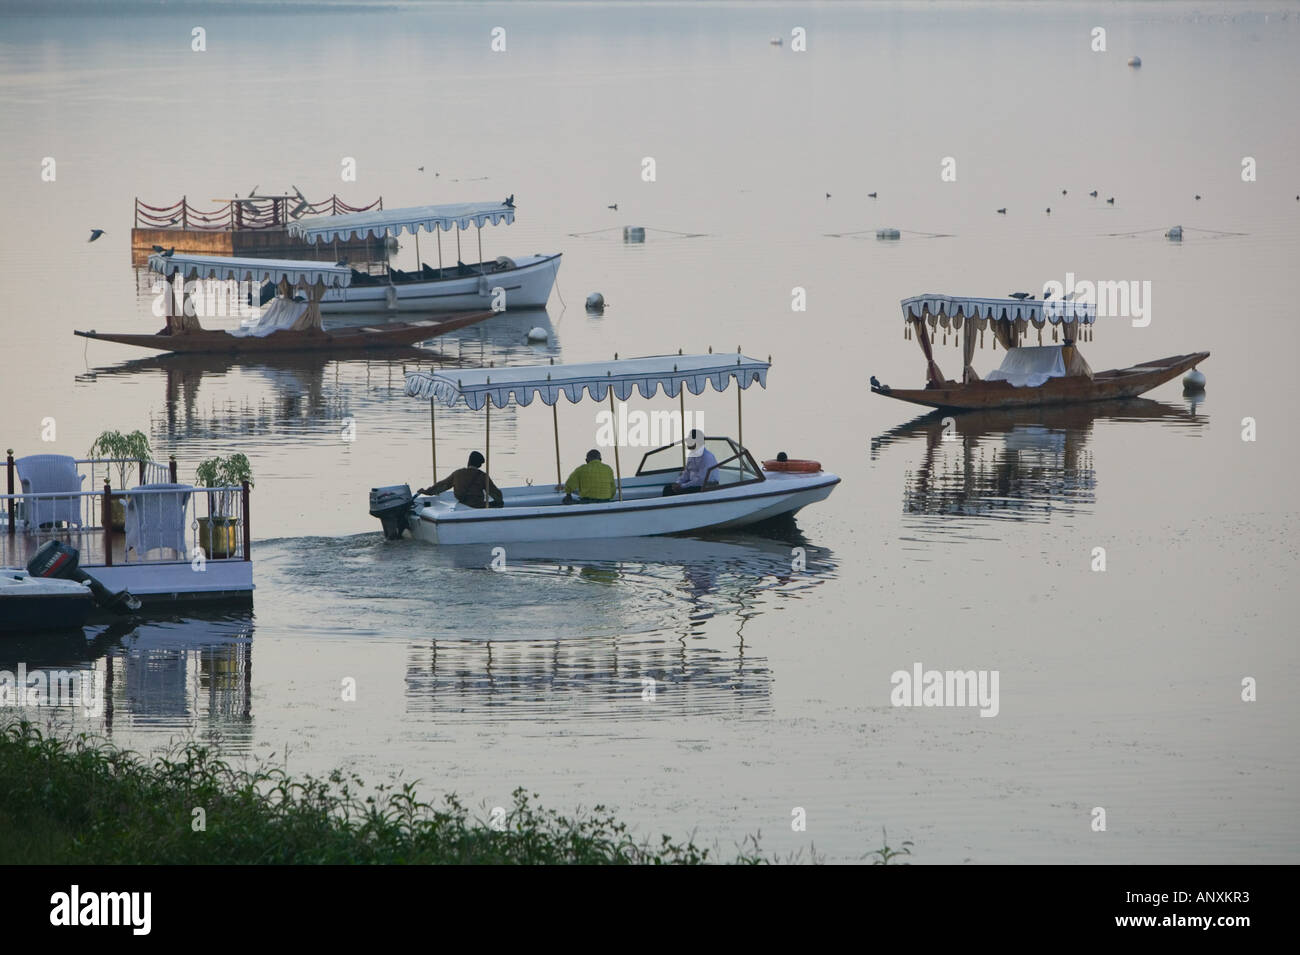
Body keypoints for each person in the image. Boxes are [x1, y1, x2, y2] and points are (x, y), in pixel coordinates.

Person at [417, 451, 503, 508]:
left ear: (468, 461)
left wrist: (426, 492)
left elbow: (441, 486)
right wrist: (499, 502)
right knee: (497, 504)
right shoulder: (483, 476)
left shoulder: (457, 474)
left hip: (462, 504)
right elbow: (495, 494)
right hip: (478, 505)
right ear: (480, 465)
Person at [663, 430, 717, 496]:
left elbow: (700, 480)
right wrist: (678, 483)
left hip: (705, 487)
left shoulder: (707, 457)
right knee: (667, 488)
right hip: (693, 484)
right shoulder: (692, 454)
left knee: (671, 492)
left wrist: (682, 486)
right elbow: (686, 472)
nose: (687, 442)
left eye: (690, 440)